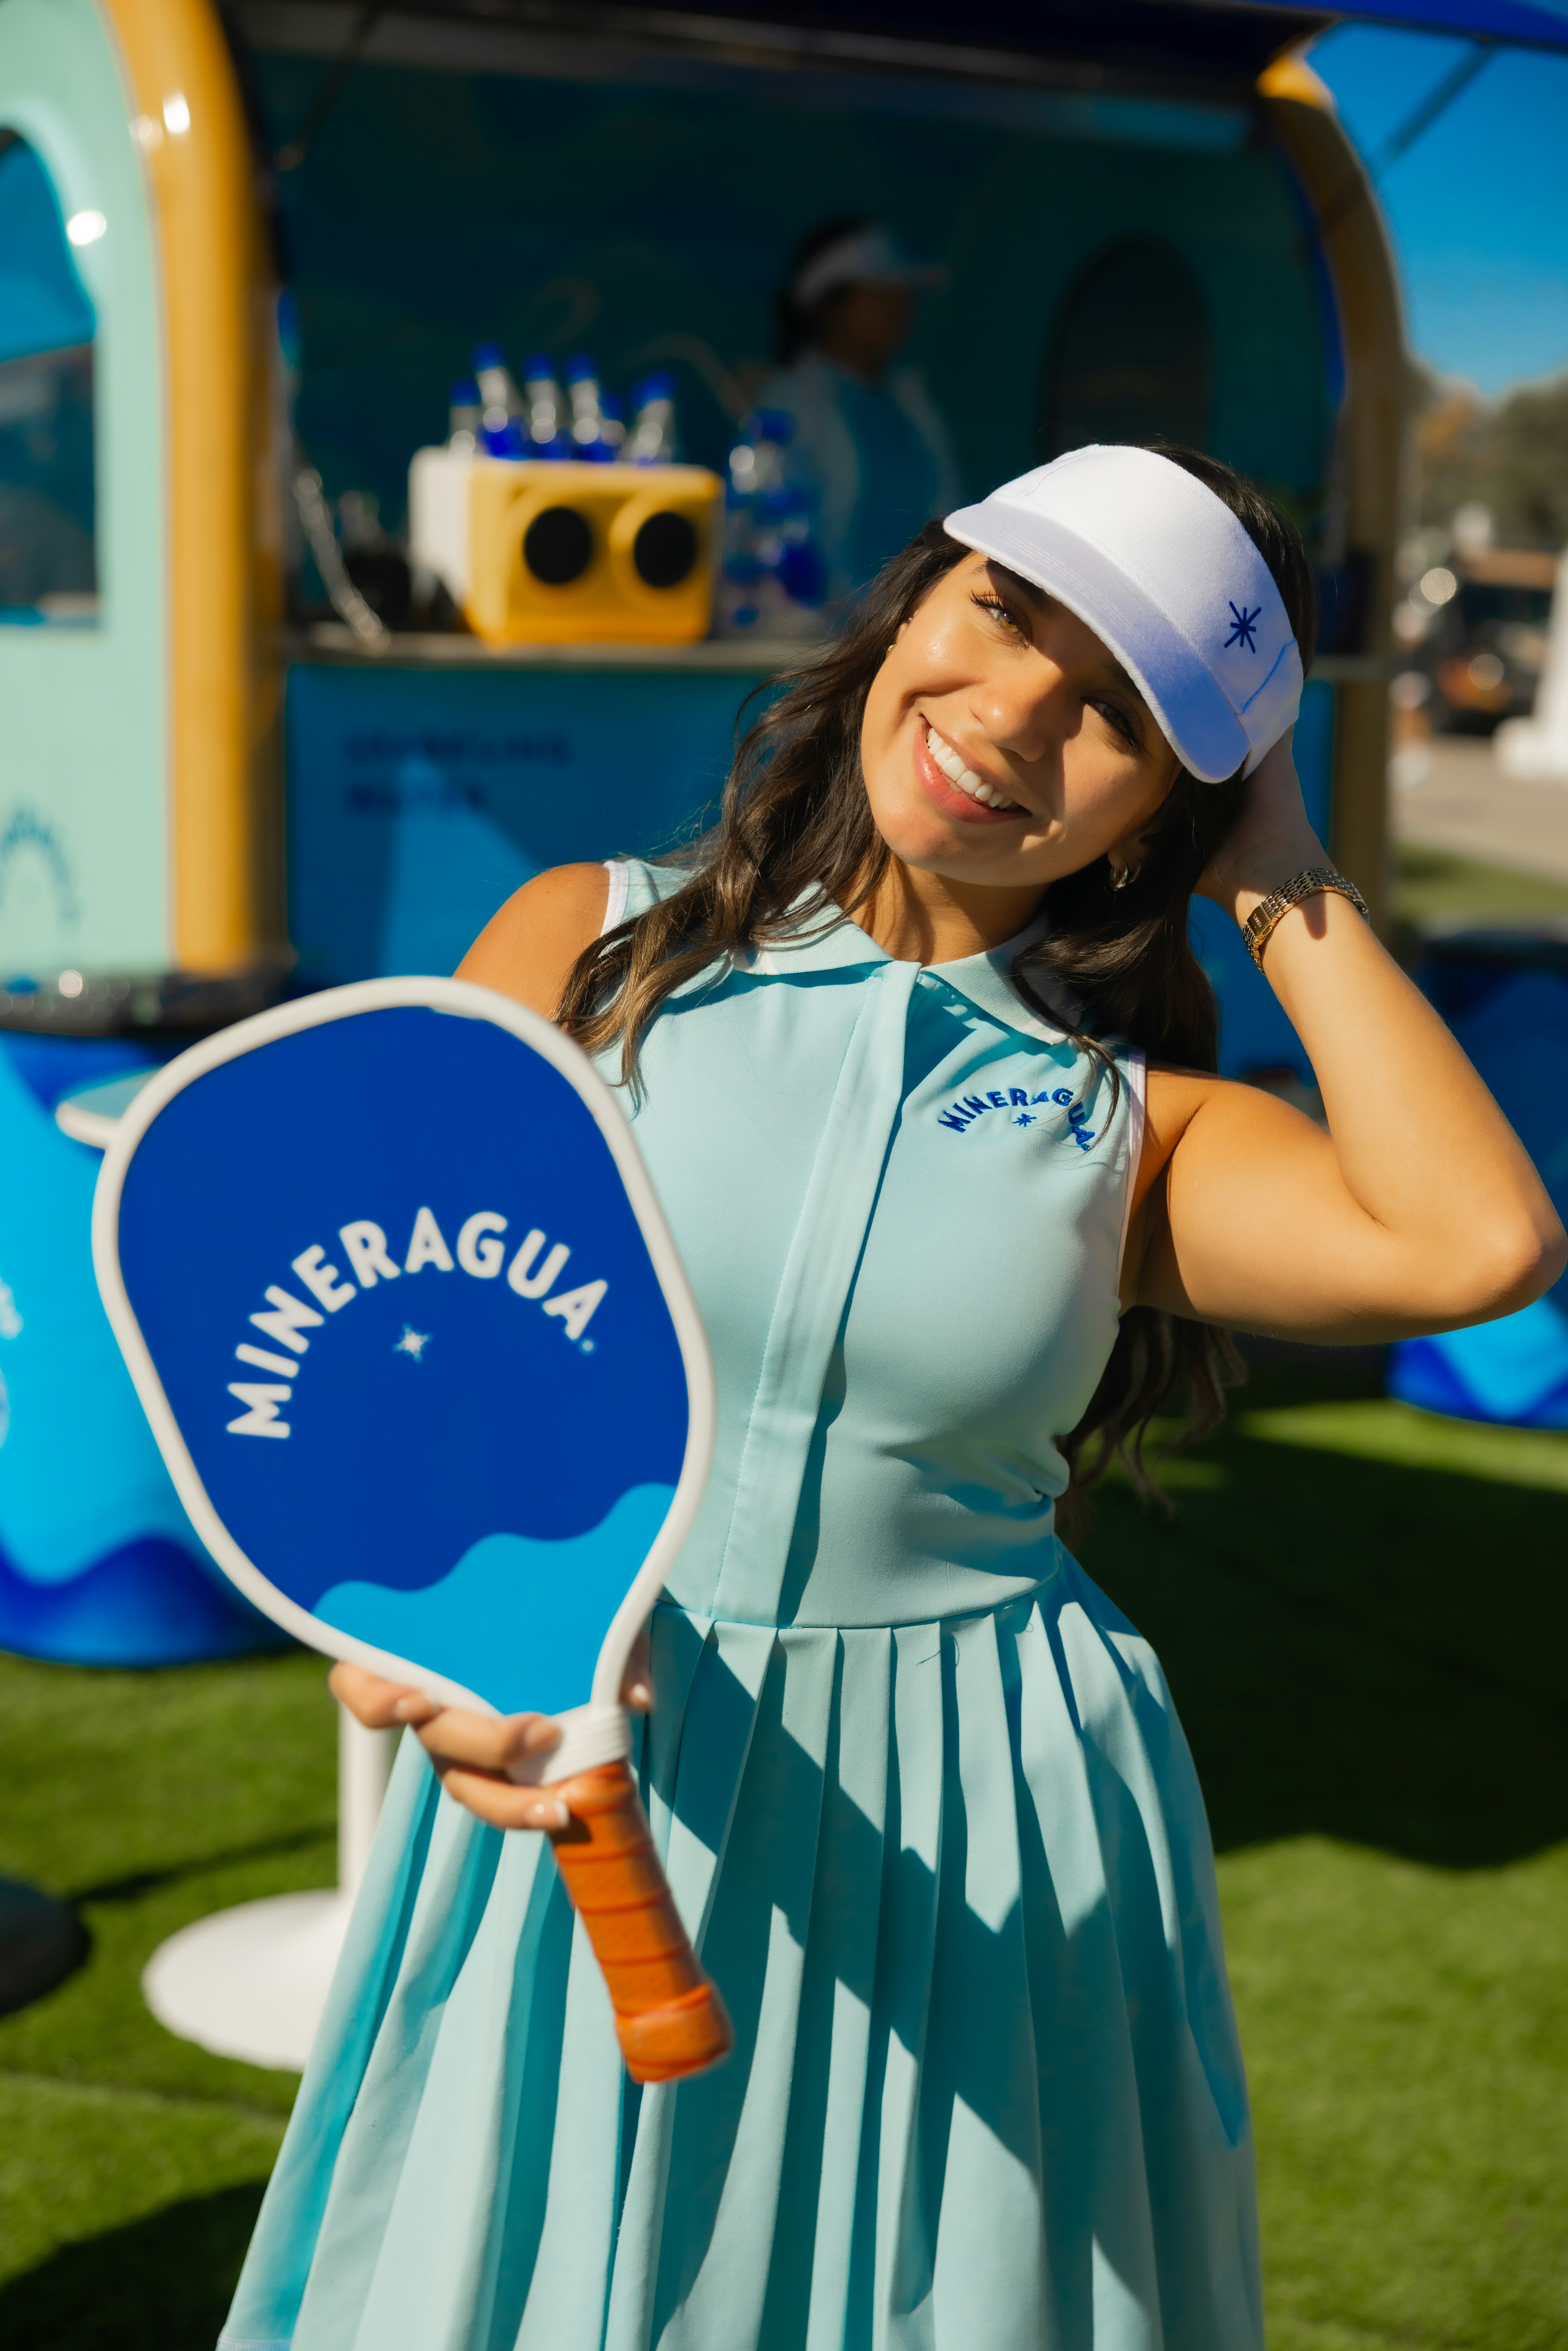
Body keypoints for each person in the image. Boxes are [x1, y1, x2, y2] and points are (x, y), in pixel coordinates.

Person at [221, 443, 1564, 2351]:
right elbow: (387, 1399)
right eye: (1002, 612)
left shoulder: (1140, 1128)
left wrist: (1279, 868)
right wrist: (413, 1657)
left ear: (1161, 817)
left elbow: (1477, 1243)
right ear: (912, 605)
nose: (1010, 712)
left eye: (1114, 712)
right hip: (607, 1785)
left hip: (992, 1830)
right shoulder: (579, 943)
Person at [757, 216, 961, 614]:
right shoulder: (788, 404)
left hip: (909, 632)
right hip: (825, 645)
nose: (900, 307)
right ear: (830, 306)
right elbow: (784, 543)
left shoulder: (911, 402)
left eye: (903, 294)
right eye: (880, 294)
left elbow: (949, 516)